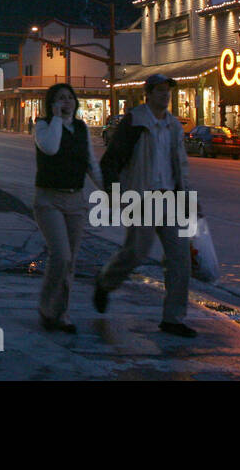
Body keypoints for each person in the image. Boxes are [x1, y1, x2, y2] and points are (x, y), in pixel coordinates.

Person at [93, 73, 196, 338]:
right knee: (135, 253)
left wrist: (188, 198)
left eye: (168, 91)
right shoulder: (135, 121)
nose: (165, 95)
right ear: (147, 94)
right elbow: (112, 160)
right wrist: (115, 195)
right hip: (141, 198)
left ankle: (173, 319)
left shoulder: (174, 125)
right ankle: (105, 283)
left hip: (170, 198)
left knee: (180, 258)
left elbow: (180, 164)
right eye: (160, 90)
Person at [32, 82, 102, 333]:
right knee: (60, 255)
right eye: (60, 98)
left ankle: (60, 314)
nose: (66, 102)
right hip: (48, 200)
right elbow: (50, 148)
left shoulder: (82, 128)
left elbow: (91, 165)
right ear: (52, 103)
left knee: (69, 261)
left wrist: (110, 192)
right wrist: (57, 119)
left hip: (76, 201)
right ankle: (46, 308)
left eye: (69, 98)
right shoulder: (43, 126)